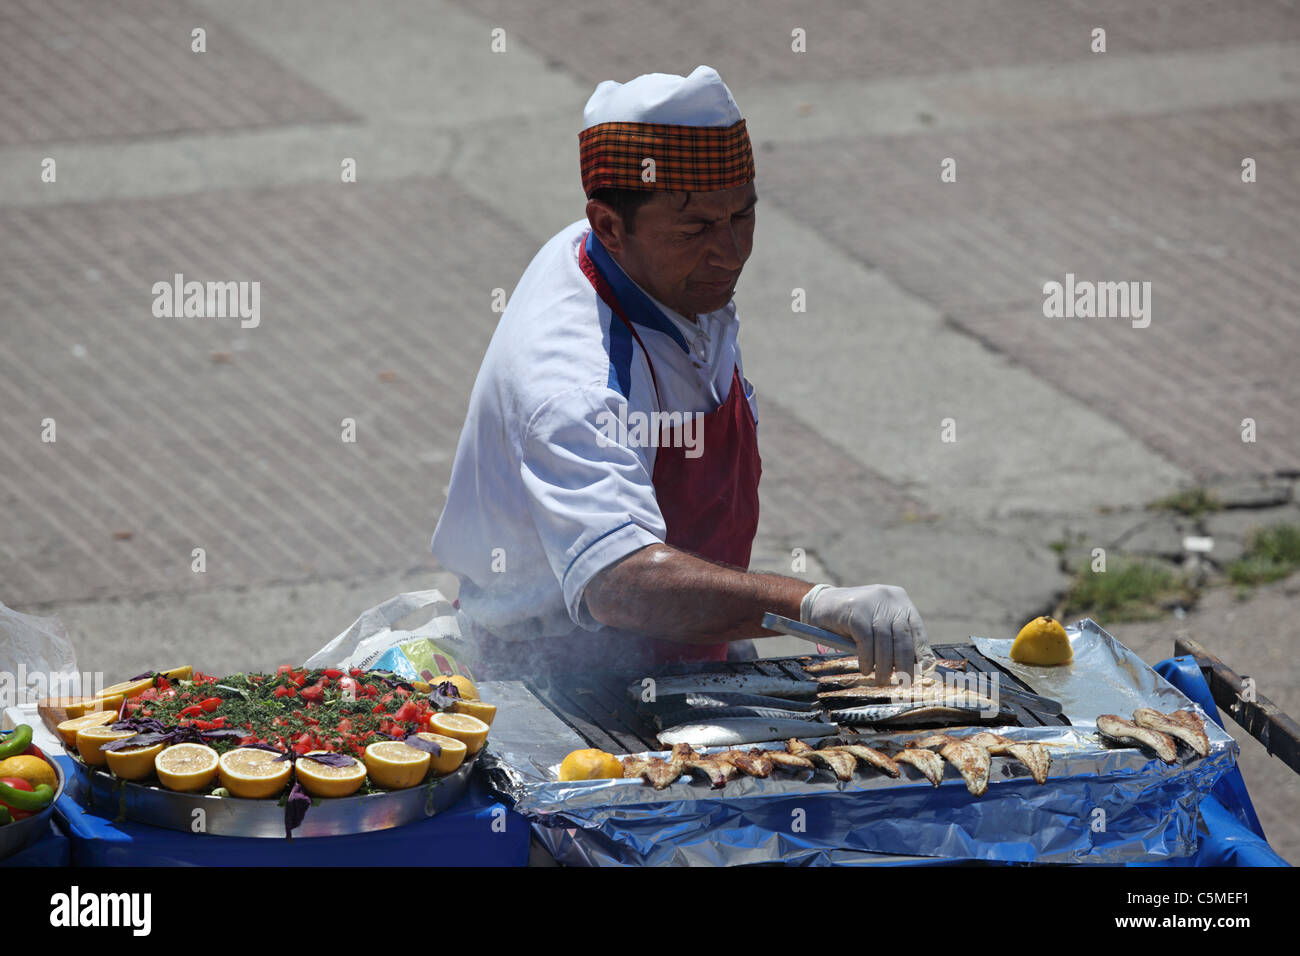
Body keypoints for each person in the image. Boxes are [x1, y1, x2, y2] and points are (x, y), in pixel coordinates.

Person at [432, 66, 928, 681]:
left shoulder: (665, 276)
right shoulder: (575, 382)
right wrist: (812, 605)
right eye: (695, 229)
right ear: (609, 226)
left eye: (742, 217)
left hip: (679, 651)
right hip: (557, 677)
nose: (732, 253)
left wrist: (731, 634)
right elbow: (620, 582)